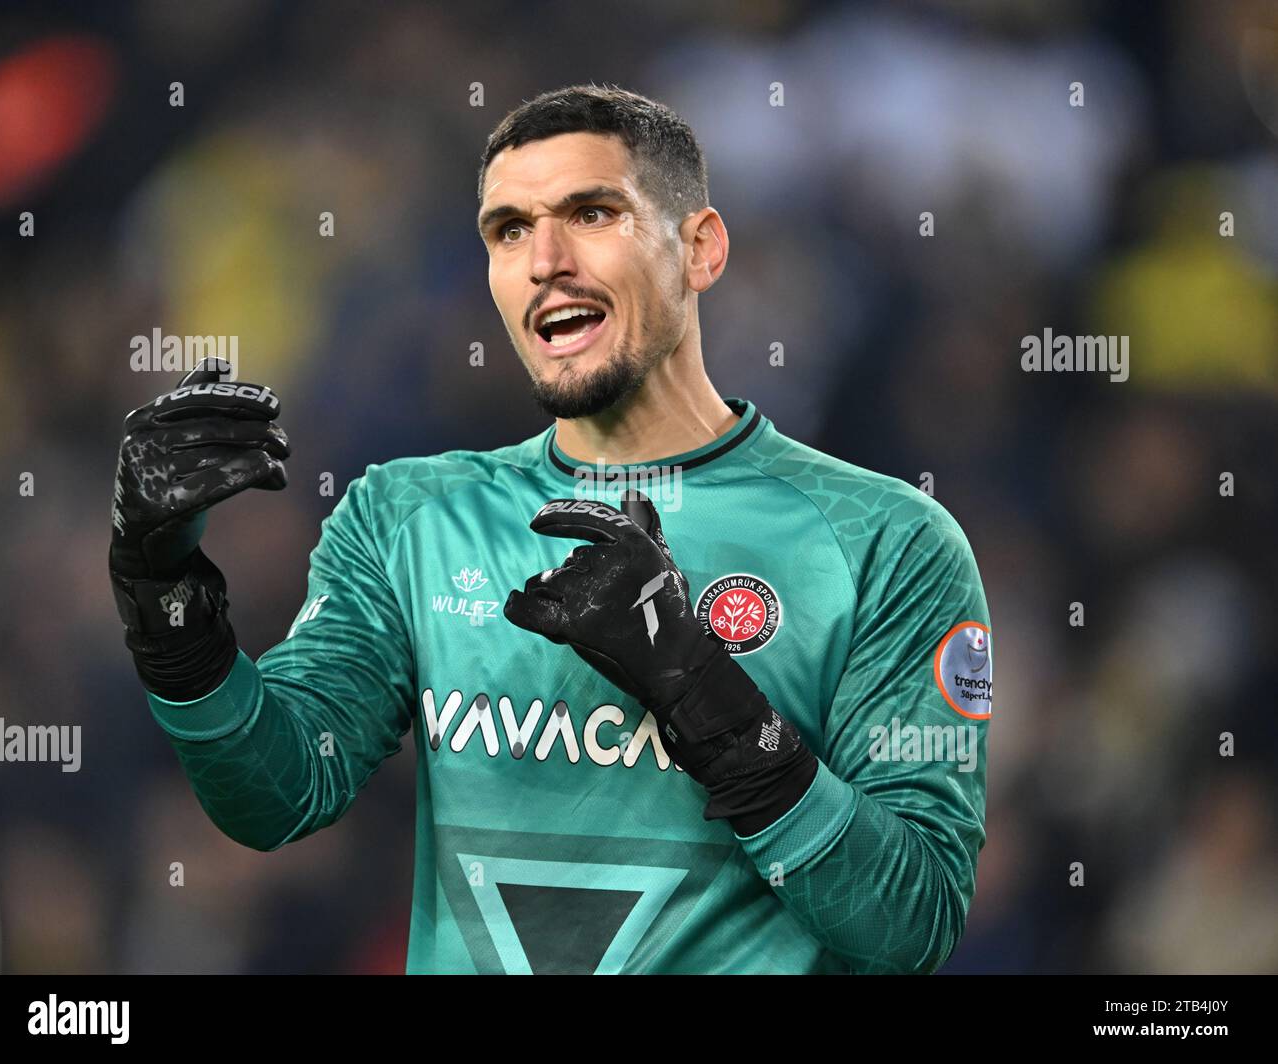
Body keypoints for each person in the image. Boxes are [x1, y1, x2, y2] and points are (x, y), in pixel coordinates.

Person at [109, 84, 992, 974]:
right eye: (509, 230)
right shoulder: (408, 518)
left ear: (700, 249)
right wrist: (166, 602)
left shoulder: (888, 541)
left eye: (592, 212)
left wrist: (705, 700)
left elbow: (910, 923)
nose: (546, 261)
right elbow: (277, 795)